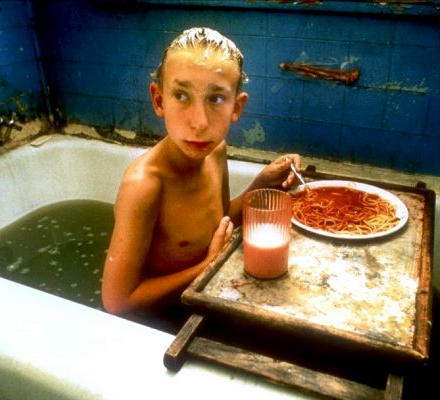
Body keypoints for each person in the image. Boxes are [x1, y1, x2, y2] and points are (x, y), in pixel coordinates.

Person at [101, 27, 301, 327]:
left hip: (200, 300)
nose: (199, 123)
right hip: (157, 324)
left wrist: (262, 183)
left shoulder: (215, 150)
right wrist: (206, 265)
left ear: (237, 107)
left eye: (216, 99)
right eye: (181, 96)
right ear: (159, 101)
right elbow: (117, 301)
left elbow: (218, 220)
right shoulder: (145, 185)